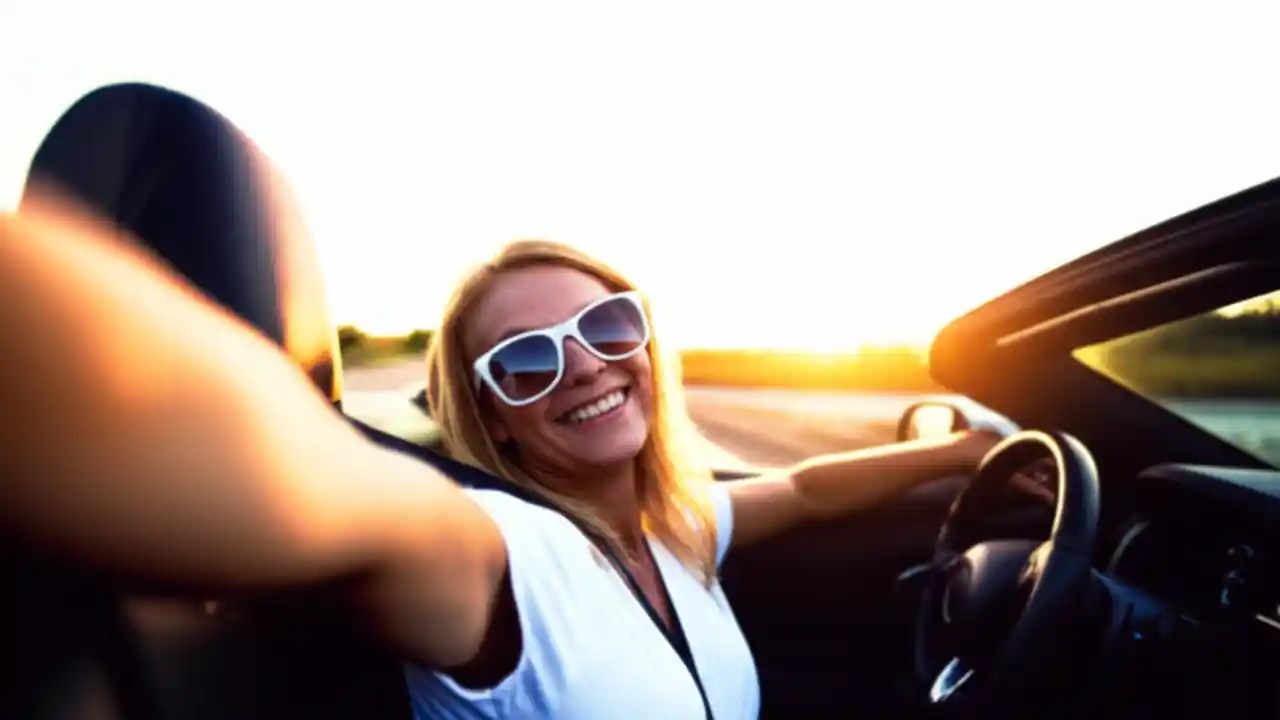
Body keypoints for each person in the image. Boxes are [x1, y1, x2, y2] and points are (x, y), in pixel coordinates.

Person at [0, 203, 999, 720]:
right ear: (496, 421)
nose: (585, 365)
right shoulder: (489, 552)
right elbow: (299, 475)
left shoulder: (672, 525)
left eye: (608, 323)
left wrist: (956, 451)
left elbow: (808, 490)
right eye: (524, 361)